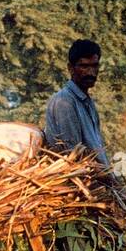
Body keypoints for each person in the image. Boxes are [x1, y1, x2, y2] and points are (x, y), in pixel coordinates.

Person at [44, 39, 109, 169]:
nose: (91, 72)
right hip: (80, 180)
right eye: (84, 66)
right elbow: (73, 155)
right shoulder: (64, 102)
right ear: (70, 68)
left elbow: (96, 149)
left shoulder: (88, 103)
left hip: (98, 178)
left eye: (95, 66)